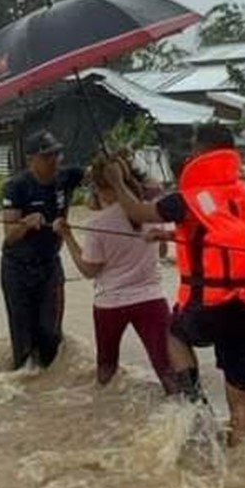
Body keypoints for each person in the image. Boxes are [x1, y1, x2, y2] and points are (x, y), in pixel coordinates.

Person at [113, 124, 245, 443]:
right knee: (241, 403)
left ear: (201, 152)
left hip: (209, 304)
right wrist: (172, 235)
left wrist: (118, 181)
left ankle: (195, 405)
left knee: (175, 334)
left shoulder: (186, 199)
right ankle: (242, 460)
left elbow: (136, 210)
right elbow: (220, 232)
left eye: (193, 147)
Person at [55, 155, 175, 394]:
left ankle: (104, 413)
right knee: (167, 368)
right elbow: (161, 250)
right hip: (151, 298)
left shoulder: (97, 223)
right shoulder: (150, 212)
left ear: (102, 189)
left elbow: (89, 270)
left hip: (110, 303)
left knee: (106, 367)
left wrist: (67, 236)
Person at [0, 130, 85, 371]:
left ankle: (50, 385)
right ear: (31, 160)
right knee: (23, 341)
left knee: (50, 334)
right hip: (17, 268)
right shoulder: (16, 186)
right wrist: (26, 223)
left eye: (57, 153)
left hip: (49, 265)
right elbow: (9, 235)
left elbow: (100, 178)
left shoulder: (68, 177)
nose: (54, 160)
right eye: (47, 155)